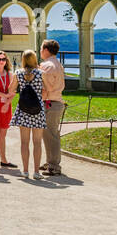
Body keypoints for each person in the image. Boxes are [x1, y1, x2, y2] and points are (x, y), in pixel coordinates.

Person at [11, 50, 48, 179]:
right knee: (37, 142)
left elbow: (11, 89)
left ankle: (25, 170)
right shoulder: (41, 74)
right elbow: (46, 92)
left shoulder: (18, 73)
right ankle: (36, 172)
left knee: (24, 142)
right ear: (34, 59)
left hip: (23, 111)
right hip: (38, 111)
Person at [39, 39, 67, 176]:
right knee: (50, 134)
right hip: (55, 102)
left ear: (45, 50)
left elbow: (45, 87)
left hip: (50, 102)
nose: (39, 51)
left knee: (51, 134)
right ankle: (51, 161)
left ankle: (54, 165)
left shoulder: (47, 66)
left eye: (41, 49)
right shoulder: (57, 64)